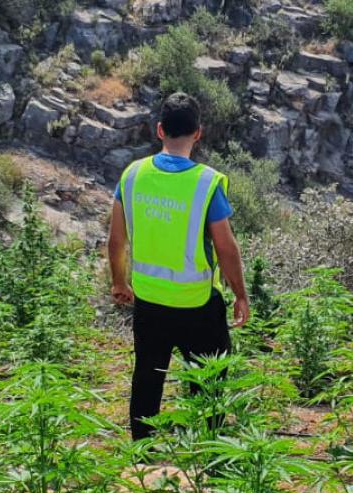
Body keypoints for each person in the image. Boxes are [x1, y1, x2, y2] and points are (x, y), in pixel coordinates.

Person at [107, 92, 250, 440]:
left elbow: (115, 241)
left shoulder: (132, 175)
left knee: (147, 377)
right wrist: (241, 294)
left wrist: (119, 283)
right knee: (209, 379)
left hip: (150, 300)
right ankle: (207, 448)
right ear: (198, 134)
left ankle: (141, 453)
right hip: (196, 303)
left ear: (159, 130)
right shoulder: (205, 183)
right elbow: (226, 248)